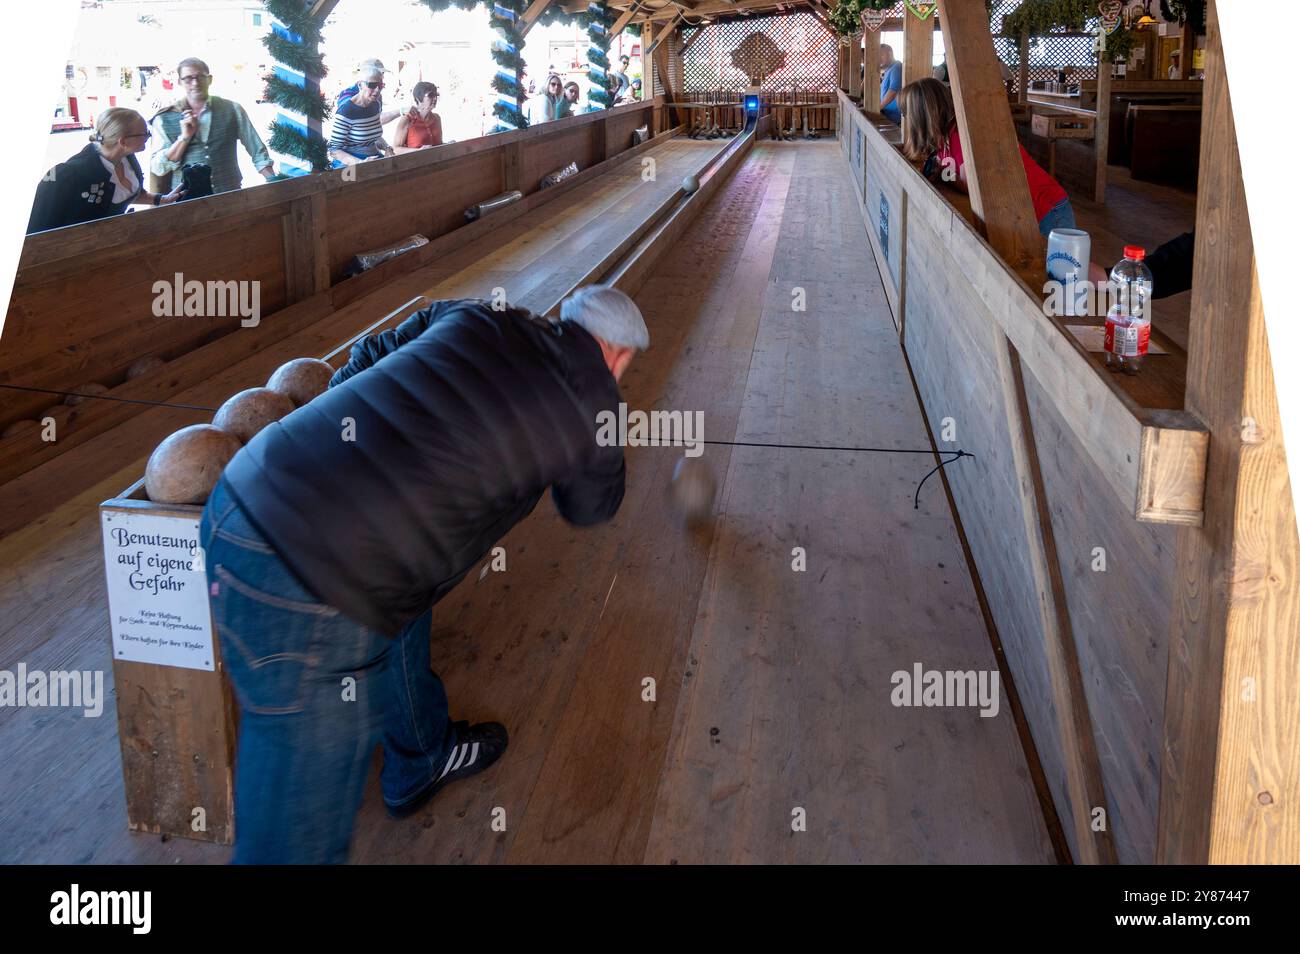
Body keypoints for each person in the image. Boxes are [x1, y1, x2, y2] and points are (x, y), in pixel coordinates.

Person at [200, 285, 649, 864]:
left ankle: (420, 756)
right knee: (296, 843)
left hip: (241, 494)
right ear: (616, 354)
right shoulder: (594, 397)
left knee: (397, 610)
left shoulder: (479, 315)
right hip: (311, 578)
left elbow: (369, 352)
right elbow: (591, 506)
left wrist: (347, 448)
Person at [900, 77, 1074, 238]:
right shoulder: (943, 138)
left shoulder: (963, 135)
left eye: (907, 114)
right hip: (1021, 211)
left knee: (1064, 269)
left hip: (1045, 208)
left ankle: (1102, 273)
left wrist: (943, 172)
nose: (906, 119)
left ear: (922, 116)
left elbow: (973, 186)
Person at [28, 107, 185, 233]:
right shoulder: (67, 175)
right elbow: (37, 227)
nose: (148, 136)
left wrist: (161, 199)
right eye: (144, 133)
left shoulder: (127, 157)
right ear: (122, 141)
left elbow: (126, 194)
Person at [149, 57, 274, 195]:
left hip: (228, 194)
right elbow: (158, 168)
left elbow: (258, 152)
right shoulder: (164, 118)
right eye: (188, 78)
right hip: (185, 202)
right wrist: (184, 138)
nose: (195, 83)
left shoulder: (232, 109)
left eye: (201, 77)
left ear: (210, 79)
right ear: (180, 82)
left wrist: (275, 182)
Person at [329, 60, 395, 163]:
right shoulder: (346, 110)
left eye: (380, 85)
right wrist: (359, 163)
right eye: (372, 85)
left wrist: (387, 148)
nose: (377, 90)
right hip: (349, 164)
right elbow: (333, 150)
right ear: (360, 85)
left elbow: (374, 137)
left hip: (372, 157)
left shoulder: (375, 104)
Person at [393, 81, 443, 149]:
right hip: (415, 159)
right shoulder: (407, 119)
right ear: (418, 98)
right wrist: (418, 151)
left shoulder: (437, 118)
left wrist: (448, 145)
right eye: (431, 95)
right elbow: (395, 149)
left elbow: (439, 144)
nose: (435, 98)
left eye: (436, 95)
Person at [879, 44, 904, 124]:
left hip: (894, 117)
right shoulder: (889, 69)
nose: (879, 58)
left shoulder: (896, 67)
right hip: (888, 115)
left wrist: (878, 107)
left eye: (882, 55)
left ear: (890, 53)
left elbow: (893, 91)